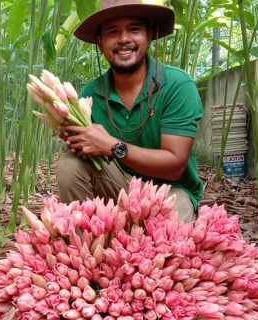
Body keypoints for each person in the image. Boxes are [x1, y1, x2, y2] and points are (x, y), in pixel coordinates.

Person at [56, 0, 204, 222]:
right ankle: (87, 242)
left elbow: (174, 166)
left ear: (150, 35)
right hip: (117, 185)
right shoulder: (91, 94)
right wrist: (77, 140)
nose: (124, 39)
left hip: (170, 191)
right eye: (113, 32)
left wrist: (111, 146)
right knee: (70, 165)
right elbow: (86, 155)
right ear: (99, 41)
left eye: (134, 29)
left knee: (173, 222)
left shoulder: (177, 85)